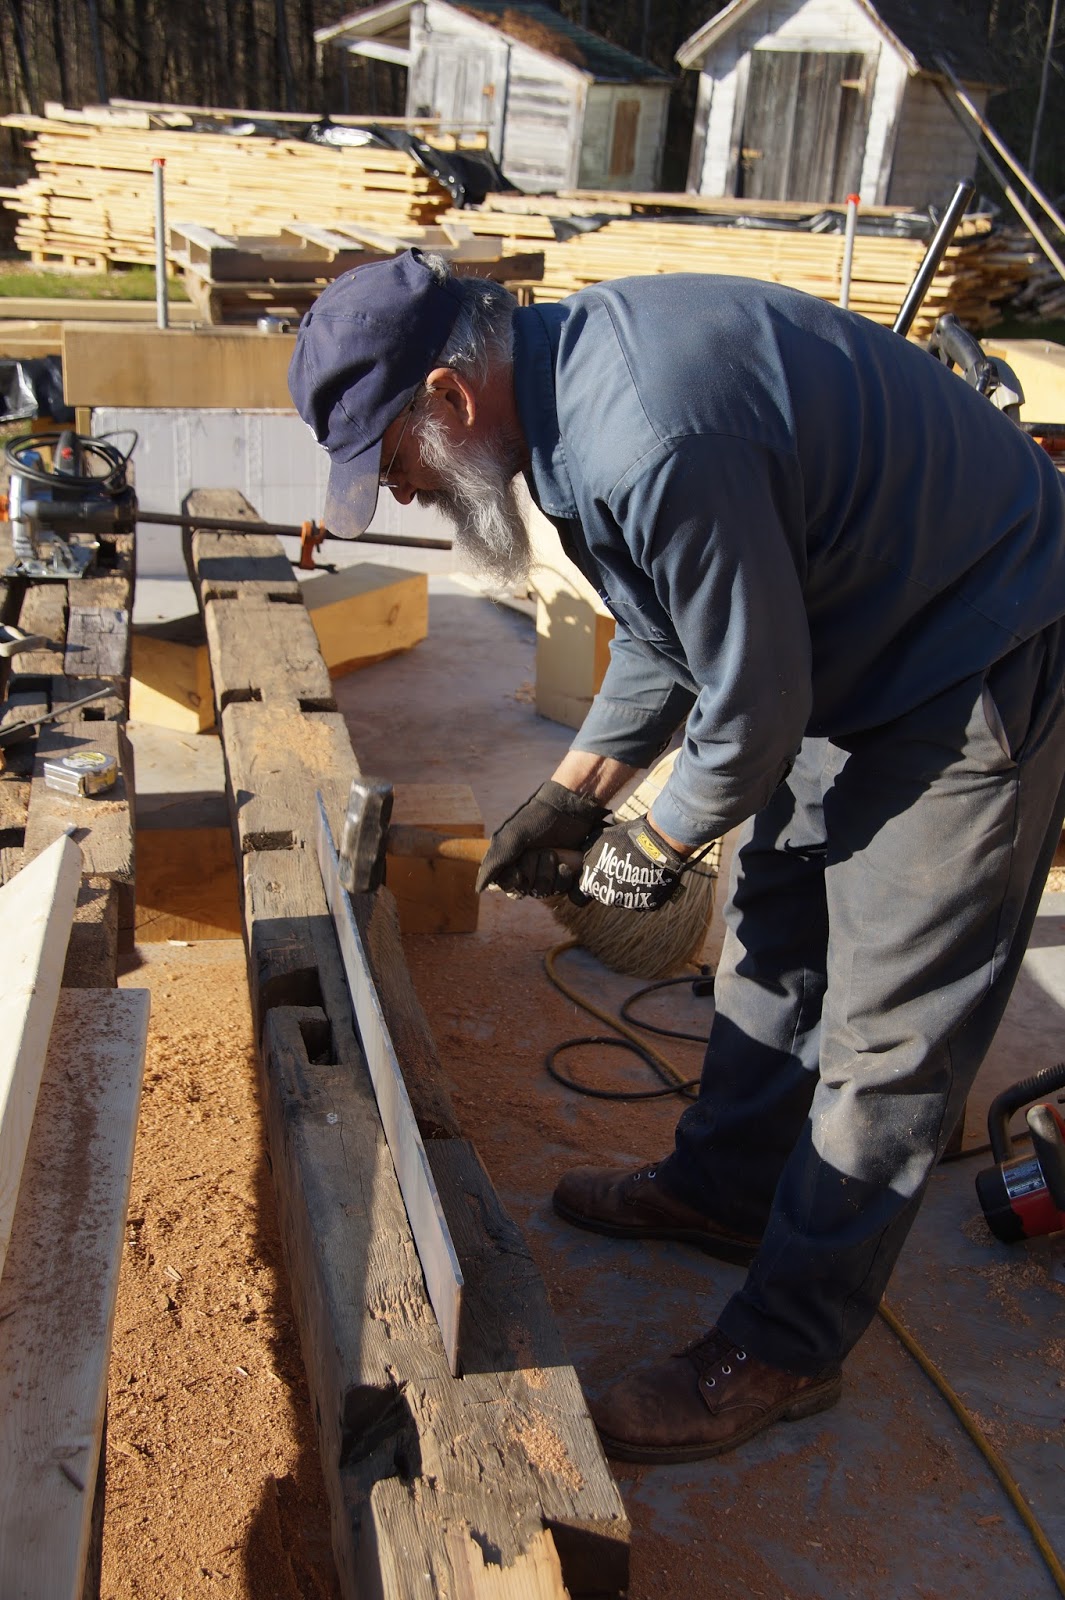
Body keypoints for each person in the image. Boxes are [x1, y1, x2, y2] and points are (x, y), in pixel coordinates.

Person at [289, 248, 1065, 1464]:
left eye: (397, 467)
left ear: (448, 397)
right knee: (778, 928)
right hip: (849, 628)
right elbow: (670, 639)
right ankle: (728, 1186)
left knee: (890, 1026)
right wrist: (571, 795)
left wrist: (651, 843)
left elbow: (754, 700)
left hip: (974, 635)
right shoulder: (558, 410)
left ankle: (788, 1345)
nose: (408, 496)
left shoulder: (645, 433)